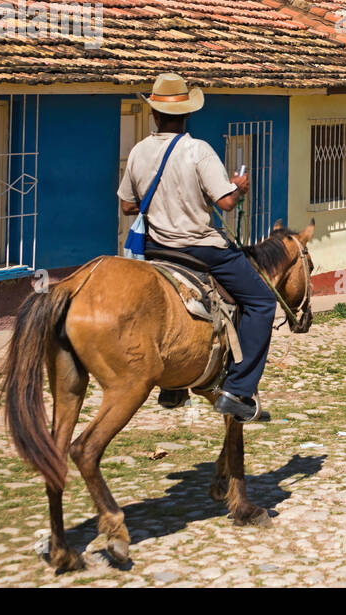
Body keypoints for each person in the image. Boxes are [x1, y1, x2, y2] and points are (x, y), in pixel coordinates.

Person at [117, 73, 276, 423]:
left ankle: (172, 386)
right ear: (187, 114)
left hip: (157, 250)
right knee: (262, 302)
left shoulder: (139, 152)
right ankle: (238, 390)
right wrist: (238, 186)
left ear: (155, 114)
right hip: (200, 248)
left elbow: (128, 206)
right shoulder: (198, 150)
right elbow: (226, 203)